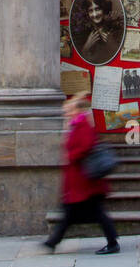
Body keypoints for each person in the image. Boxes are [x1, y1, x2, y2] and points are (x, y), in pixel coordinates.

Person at [42, 95, 119, 255]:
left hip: (84, 180)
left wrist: (71, 156)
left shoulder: (82, 124)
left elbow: (86, 145)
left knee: (80, 213)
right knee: (73, 214)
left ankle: (53, 242)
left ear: (77, 110)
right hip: (79, 180)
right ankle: (52, 242)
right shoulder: (77, 124)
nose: (67, 113)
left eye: (69, 110)